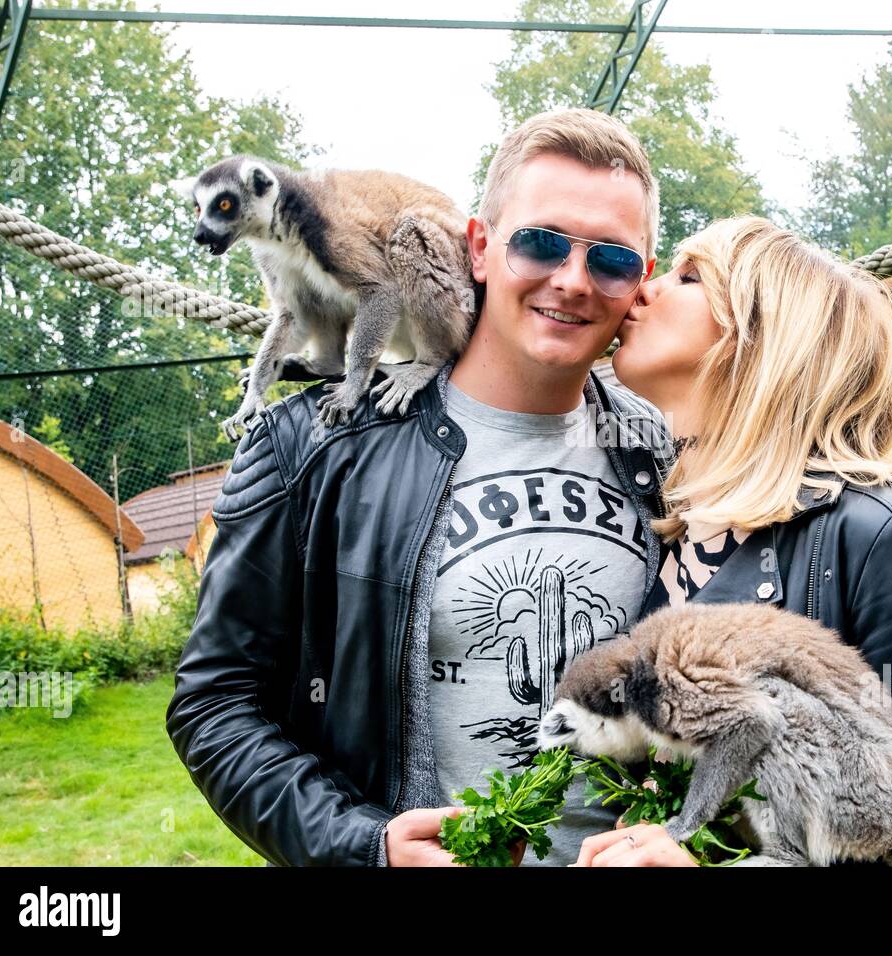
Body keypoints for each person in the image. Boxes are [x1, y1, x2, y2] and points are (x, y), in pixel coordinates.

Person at [166, 107, 675, 866]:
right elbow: (215, 705)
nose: (572, 281)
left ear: (641, 282)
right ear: (478, 247)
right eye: (539, 243)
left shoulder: (665, 451)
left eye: (610, 259)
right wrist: (364, 846)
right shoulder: (312, 447)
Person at [578, 215, 892, 867]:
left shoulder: (887, 537)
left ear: (761, 335)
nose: (643, 290)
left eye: (689, 277)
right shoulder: (658, 526)